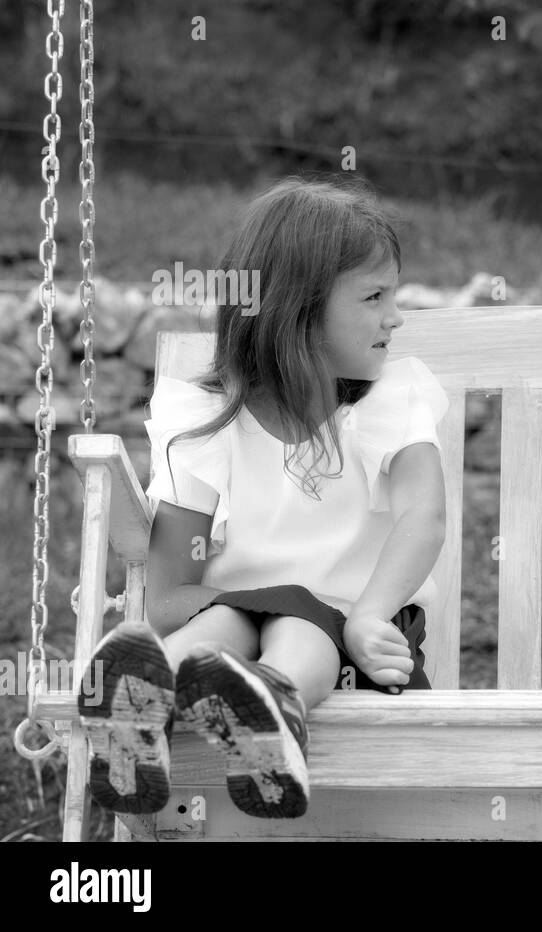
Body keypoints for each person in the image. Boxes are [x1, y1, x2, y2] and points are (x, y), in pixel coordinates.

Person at [78, 178, 449, 819]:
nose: (396, 316)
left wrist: (367, 616)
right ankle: (151, 701)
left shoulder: (389, 400)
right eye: (374, 297)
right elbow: (168, 598)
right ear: (298, 311)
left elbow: (425, 516)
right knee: (237, 620)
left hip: (362, 645)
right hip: (228, 642)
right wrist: (262, 609)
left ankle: (267, 705)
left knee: (301, 622)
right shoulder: (208, 419)